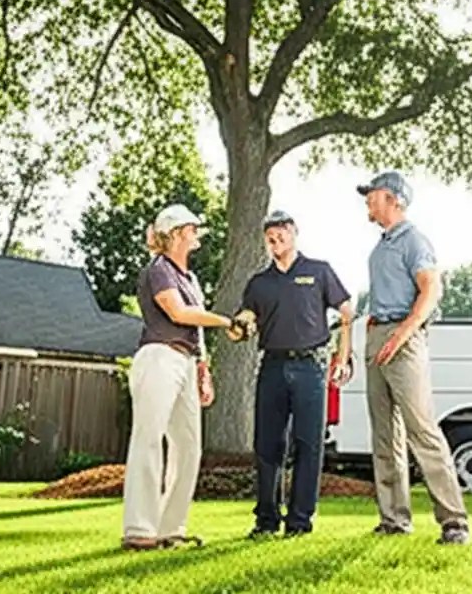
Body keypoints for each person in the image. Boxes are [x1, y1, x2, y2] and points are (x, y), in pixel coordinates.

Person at [357, 171, 470, 545]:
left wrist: (402, 334)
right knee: (384, 435)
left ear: (393, 199)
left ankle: (454, 521)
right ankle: (394, 519)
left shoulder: (413, 241)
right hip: (377, 335)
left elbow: (431, 289)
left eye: (372, 195)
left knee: (422, 430)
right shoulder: (379, 246)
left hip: (403, 340)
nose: (367, 201)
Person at [121, 203, 242, 551]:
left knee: (189, 447)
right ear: (175, 233)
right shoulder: (159, 270)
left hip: (186, 364)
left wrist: (204, 370)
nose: (196, 233)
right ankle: (139, 529)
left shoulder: (191, 278)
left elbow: (196, 332)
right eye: (192, 227)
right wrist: (226, 321)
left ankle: (170, 527)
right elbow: (178, 312)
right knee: (149, 439)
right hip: (158, 357)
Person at [229, 209, 354, 538]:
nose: (275, 238)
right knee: (267, 444)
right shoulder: (259, 283)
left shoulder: (318, 272)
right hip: (272, 366)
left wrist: (342, 358)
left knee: (308, 444)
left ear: (294, 233)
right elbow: (247, 316)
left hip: (311, 367)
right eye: (270, 235)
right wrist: (241, 324)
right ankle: (266, 520)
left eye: (282, 232)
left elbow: (347, 313)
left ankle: (300, 522)